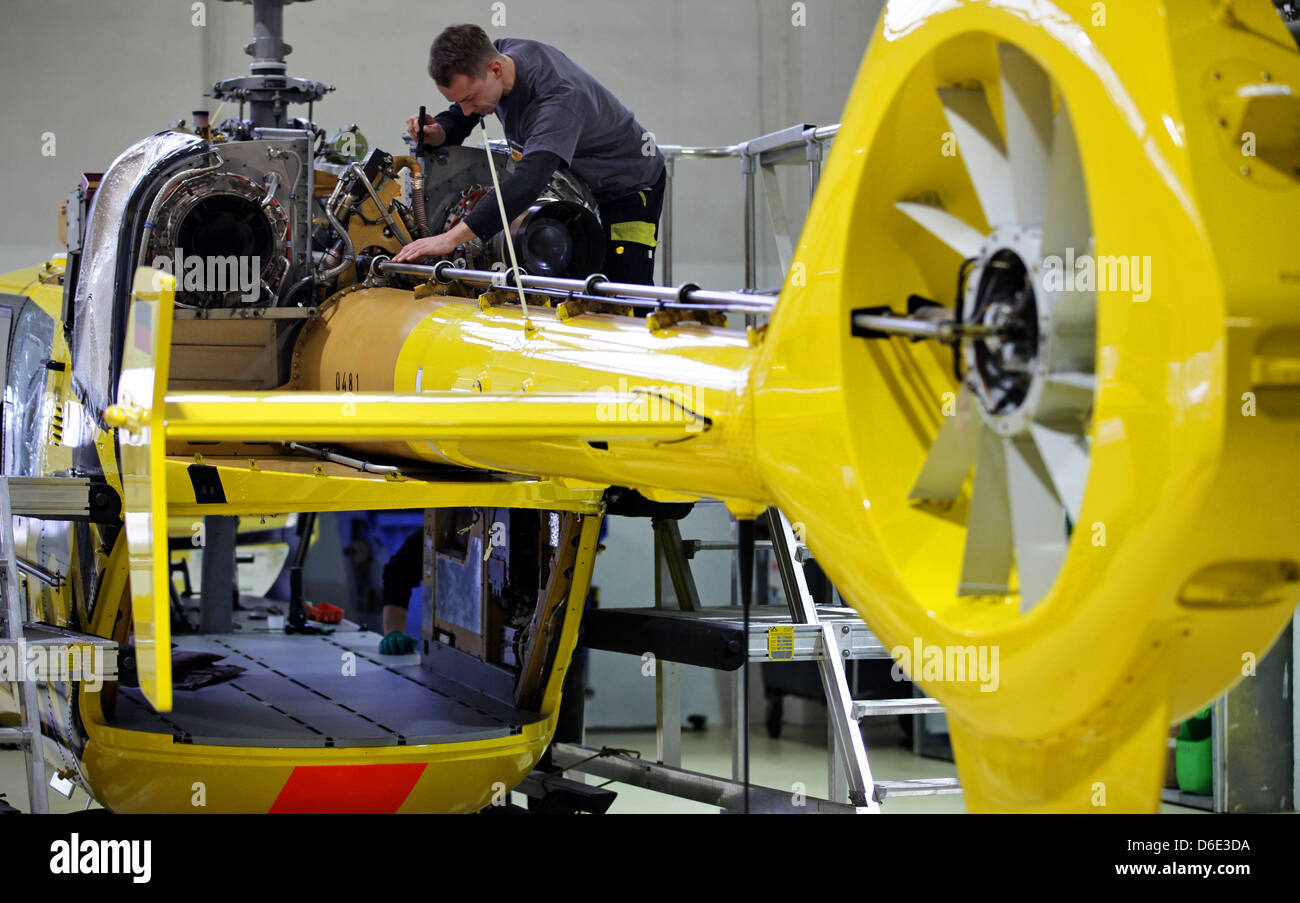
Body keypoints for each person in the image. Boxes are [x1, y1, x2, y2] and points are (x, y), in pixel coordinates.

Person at [392, 23, 667, 286]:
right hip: (577, 181)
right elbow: (462, 117)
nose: (465, 109)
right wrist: (441, 132)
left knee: (623, 286)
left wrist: (451, 239)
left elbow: (527, 183)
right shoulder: (498, 59)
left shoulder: (557, 101)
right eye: (458, 101)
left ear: (496, 69)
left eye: (469, 98)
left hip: (628, 186)